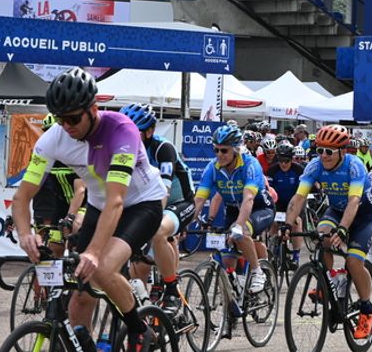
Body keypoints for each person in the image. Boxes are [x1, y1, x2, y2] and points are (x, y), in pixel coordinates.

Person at [12, 67, 166, 352]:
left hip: (140, 203)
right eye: (61, 120)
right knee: (78, 300)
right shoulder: (52, 139)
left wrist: (95, 252)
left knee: (100, 269)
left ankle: (139, 329)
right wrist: (25, 234)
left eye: (73, 118)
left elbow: (117, 201)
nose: (68, 126)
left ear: (93, 107)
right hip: (100, 207)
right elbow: (22, 197)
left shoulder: (121, 130)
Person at [281, 124, 372, 340]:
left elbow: (354, 201)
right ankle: (328, 283)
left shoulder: (355, 166)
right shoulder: (315, 166)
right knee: (322, 234)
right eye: (319, 150)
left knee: (354, 262)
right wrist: (288, 224)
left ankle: (366, 310)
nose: (323, 155)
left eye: (329, 151)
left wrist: (344, 230)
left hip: (363, 215)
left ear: (343, 151)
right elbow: (299, 198)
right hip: (336, 209)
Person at [120, 103, 193, 313]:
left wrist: (146, 224)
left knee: (159, 229)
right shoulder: (125, 151)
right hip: (151, 203)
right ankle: (142, 315)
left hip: (179, 202)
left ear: (150, 131)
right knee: (138, 265)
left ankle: (171, 288)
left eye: (135, 132)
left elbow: (164, 191)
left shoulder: (163, 148)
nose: (128, 137)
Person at [190, 124, 275, 294]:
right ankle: (237, 295)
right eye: (216, 150)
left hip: (259, 208)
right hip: (232, 209)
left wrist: (239, 224)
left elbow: (249, 198)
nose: (219, 155)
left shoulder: (250, 165)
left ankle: (257, 272)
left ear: (236, 150)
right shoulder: (213, 168)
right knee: (229, 261)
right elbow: (200, 198)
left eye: (224, 151)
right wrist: (186, 222)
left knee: (241, 232)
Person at [29, 114, 85, 257]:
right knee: (54, 247)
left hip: (86, 203)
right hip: (62, 203)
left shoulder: (76, 153)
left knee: (76, 228)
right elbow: (30, 186)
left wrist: (70, 217)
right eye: (46, 132)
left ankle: (85, 271)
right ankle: (60, 278)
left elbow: (80, 190)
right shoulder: (45, 154)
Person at [266, 142, 305, 265]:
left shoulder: (298, 170)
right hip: (278, 202)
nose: (283, 164)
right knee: (273, 223)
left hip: (294, 201)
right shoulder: (272, 170)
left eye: (286, 161)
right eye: (281, 160)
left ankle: (296, 255)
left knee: (296, 223)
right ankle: (271, 250)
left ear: (291, 160)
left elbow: (302, 193)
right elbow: (268, 190)